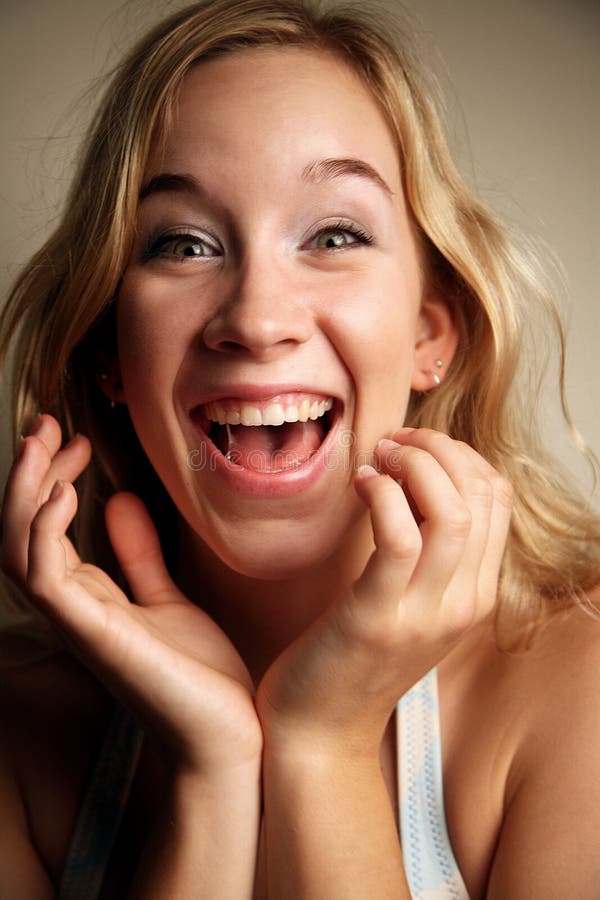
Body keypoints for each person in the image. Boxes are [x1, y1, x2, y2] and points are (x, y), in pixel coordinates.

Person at [0, 1, 599, 897]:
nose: (256, 319)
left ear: (434, 335)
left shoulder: (582, 685)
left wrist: (325, 742)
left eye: (334, 235)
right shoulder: (17, 728)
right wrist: (212, 774)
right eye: (185, 243)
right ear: (108, 355)